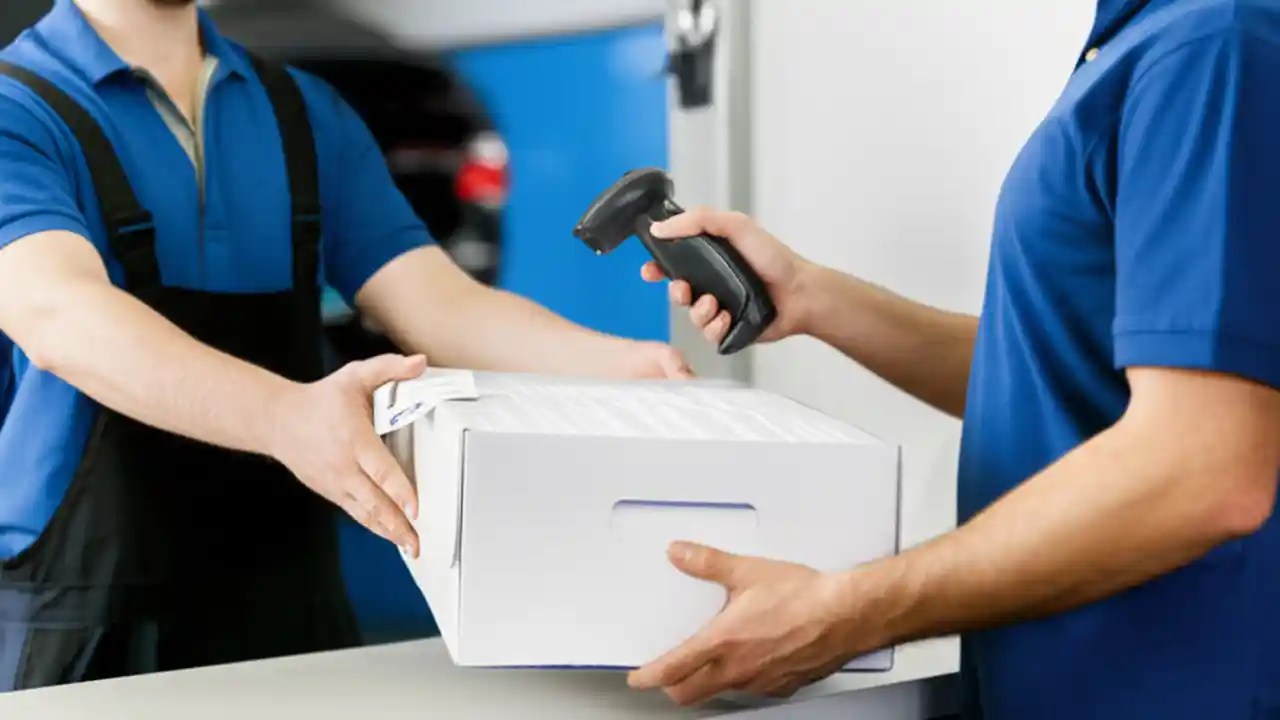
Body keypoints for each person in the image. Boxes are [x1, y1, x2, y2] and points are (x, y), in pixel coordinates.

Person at [0, 0, 689, 691]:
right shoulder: (17, 108)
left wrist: (621, 366)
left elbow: (438, 304)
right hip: (86, 617)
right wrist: (286, 418)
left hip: (291, 606)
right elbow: (60, 313)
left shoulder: (301, 112)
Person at [627, 0, 1280, 717]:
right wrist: (811, 297)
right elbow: (1052, 374)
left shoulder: (1211, 46)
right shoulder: (1143, 40)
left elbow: (1201, 469)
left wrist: (845, 612)